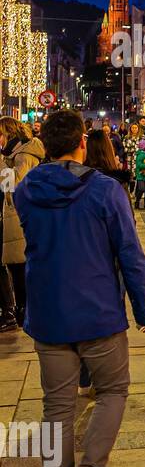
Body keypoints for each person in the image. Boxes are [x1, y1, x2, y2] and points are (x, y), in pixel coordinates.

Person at [13, 109, 145, 467]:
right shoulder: (106, 191)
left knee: (56, 408)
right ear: (81, 143)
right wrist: (144, 305)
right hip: (98, 312)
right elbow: (129, 253)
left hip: (49, 313)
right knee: (113, 391)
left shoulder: (25, 190)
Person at [0, 117, 45, 329]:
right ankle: (17, 311)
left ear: (8, 133)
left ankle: (22, 311)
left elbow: (12, 184)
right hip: (11, 216)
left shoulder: (24, 155)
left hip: (18, 216)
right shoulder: (13, 154)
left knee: (19, 267)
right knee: (15, 266)